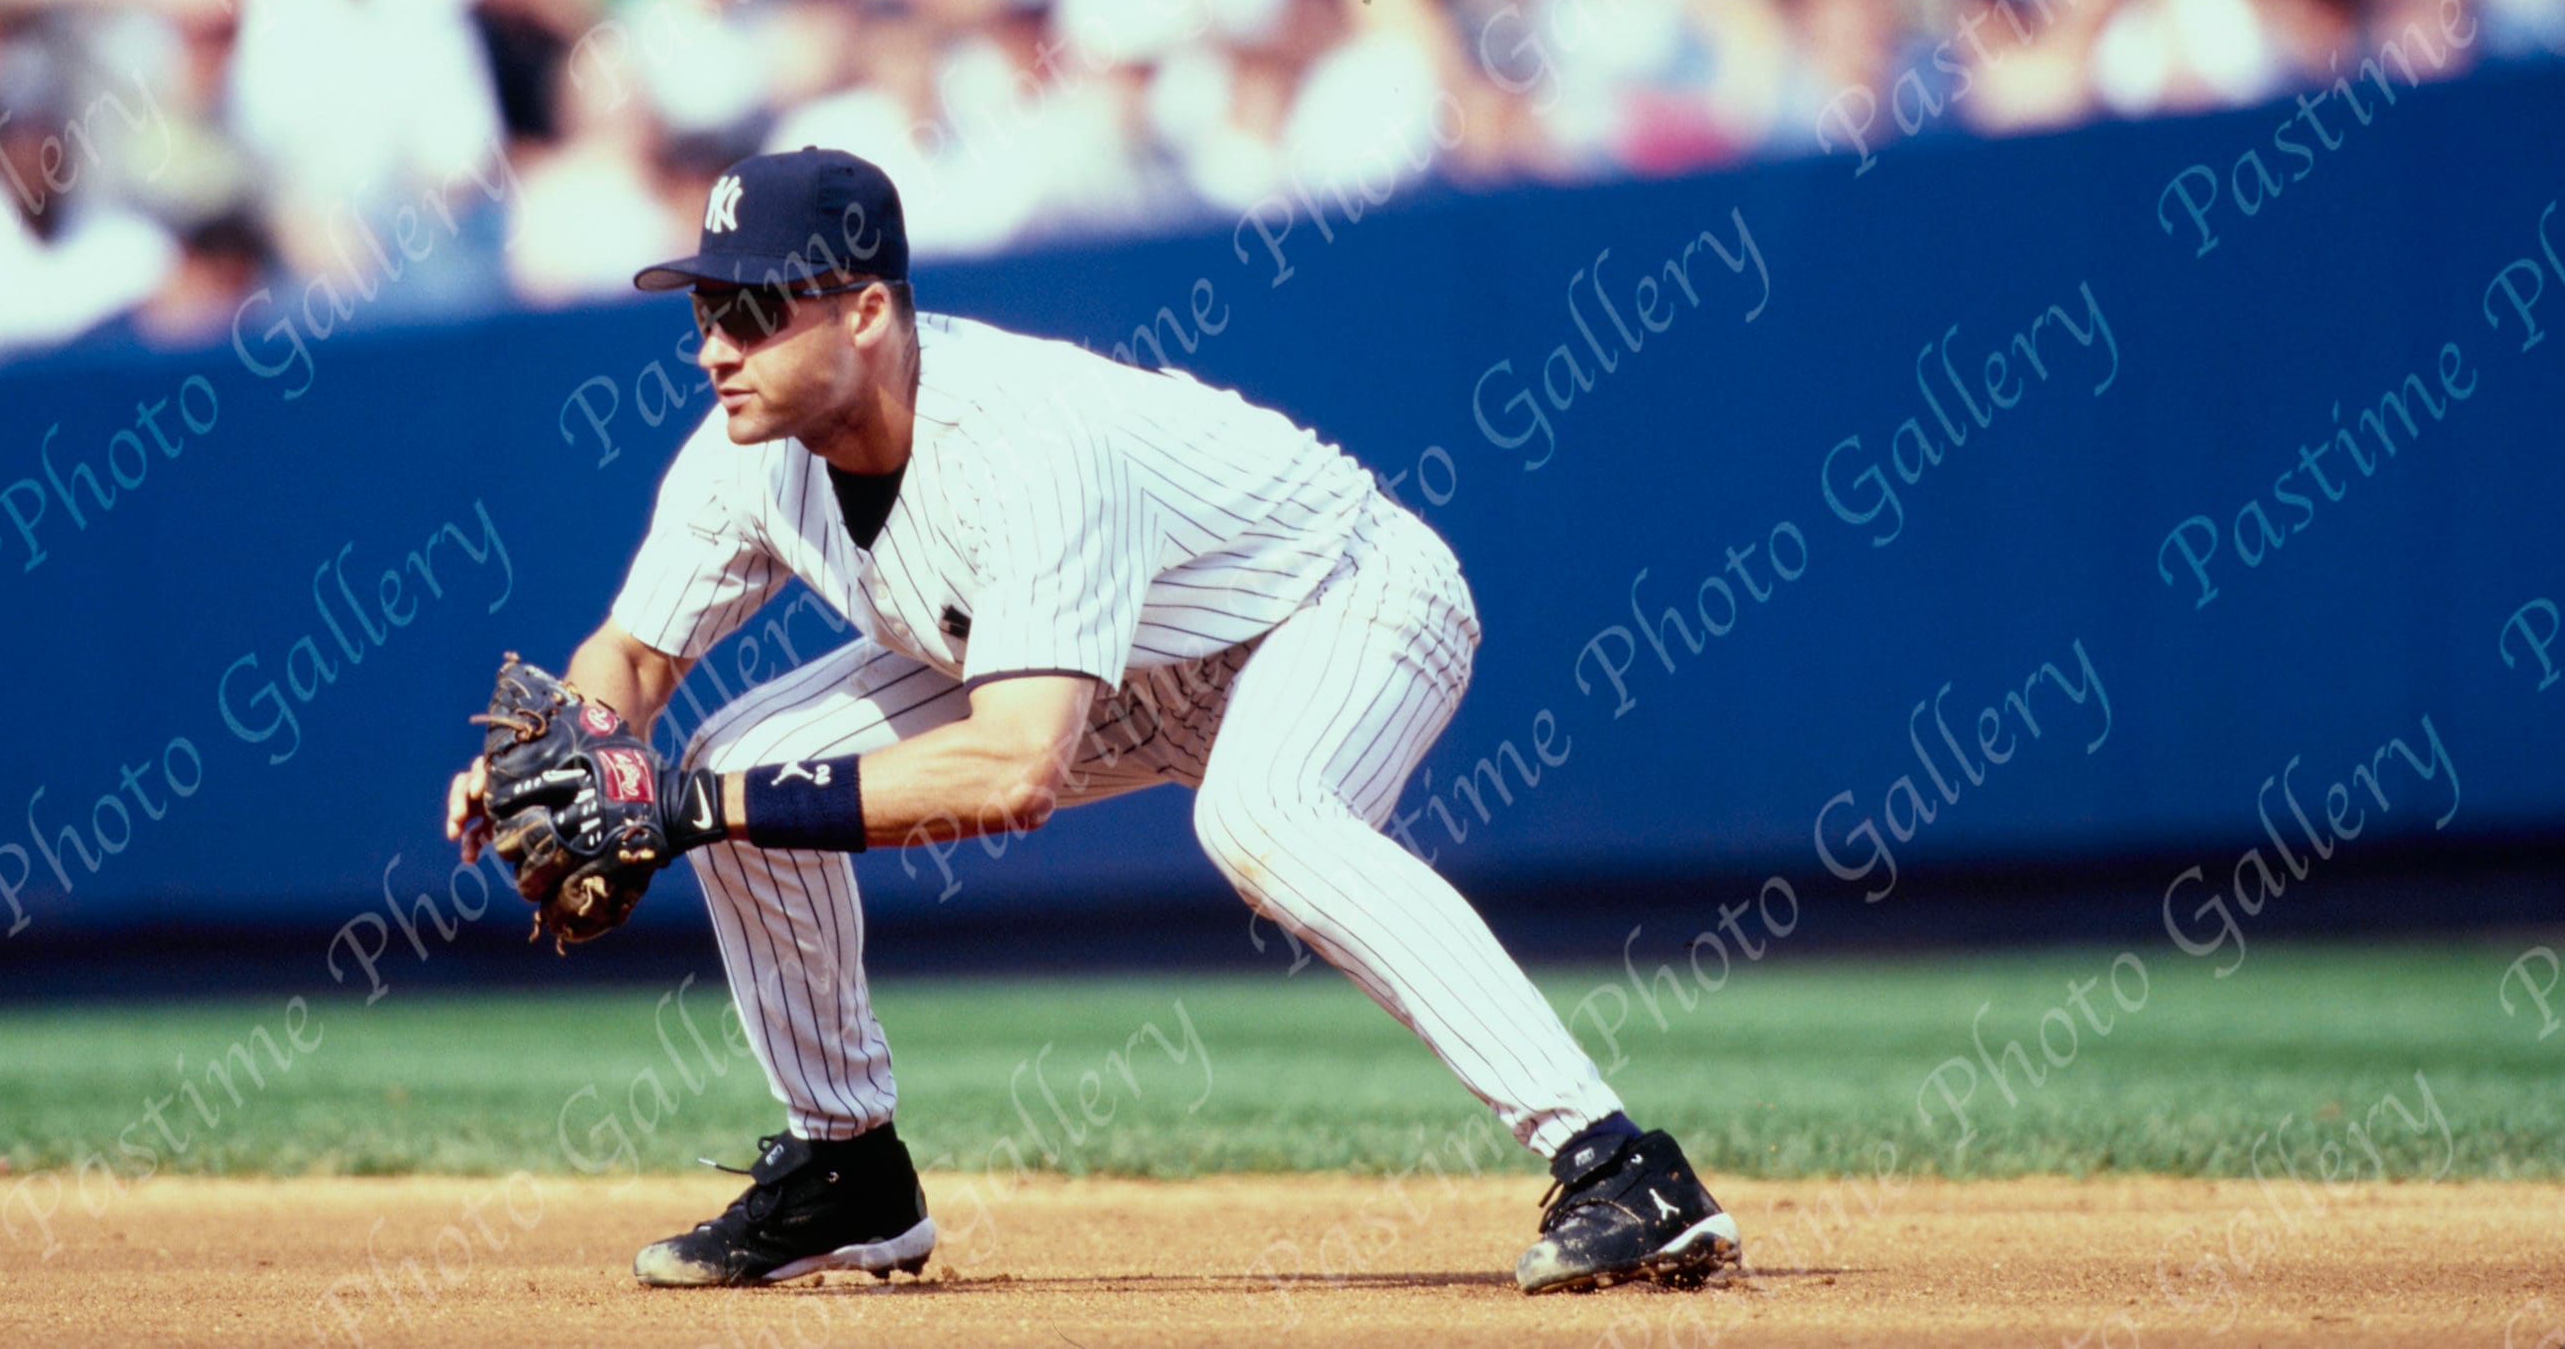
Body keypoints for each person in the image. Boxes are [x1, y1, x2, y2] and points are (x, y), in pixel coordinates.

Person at [441, 145, 1738, 1296]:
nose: (714, 344)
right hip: (1111, 666)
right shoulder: (745, 452)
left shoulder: (1023, 441)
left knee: (1263, 816)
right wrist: (563, 751)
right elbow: (633, 652)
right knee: (731, 763)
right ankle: (847, 1174)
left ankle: (1624, 1165)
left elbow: (1015, 774)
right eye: (706, 308)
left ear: (870, 309)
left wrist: (683, 810)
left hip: (1335, 602)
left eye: (753, 308)